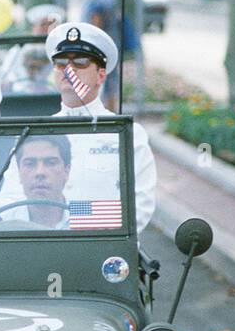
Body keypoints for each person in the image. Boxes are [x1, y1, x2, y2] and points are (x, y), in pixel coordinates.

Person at [47, 21, 156, 235]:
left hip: (104, 250)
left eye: (80, 62)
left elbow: (140, 205)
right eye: (61, 63)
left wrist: (74, 222)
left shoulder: (126, 134)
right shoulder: (37, 132)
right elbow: (14, 196)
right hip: (46, 247)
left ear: (101, 75)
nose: (69, 70)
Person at [0, 135, 71, 228]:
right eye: (30, 164)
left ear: (66, 170)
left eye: (51, 163)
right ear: (19, 171)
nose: (40, 172)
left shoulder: (85, 217)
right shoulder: (1, 225)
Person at [78, 0, 120, 111]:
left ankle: (104, 111)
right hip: (111, 43)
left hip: (97, 47)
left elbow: (96, 26)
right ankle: (112, 110)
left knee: (99, 80)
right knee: (110, 79)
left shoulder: (95, 3)